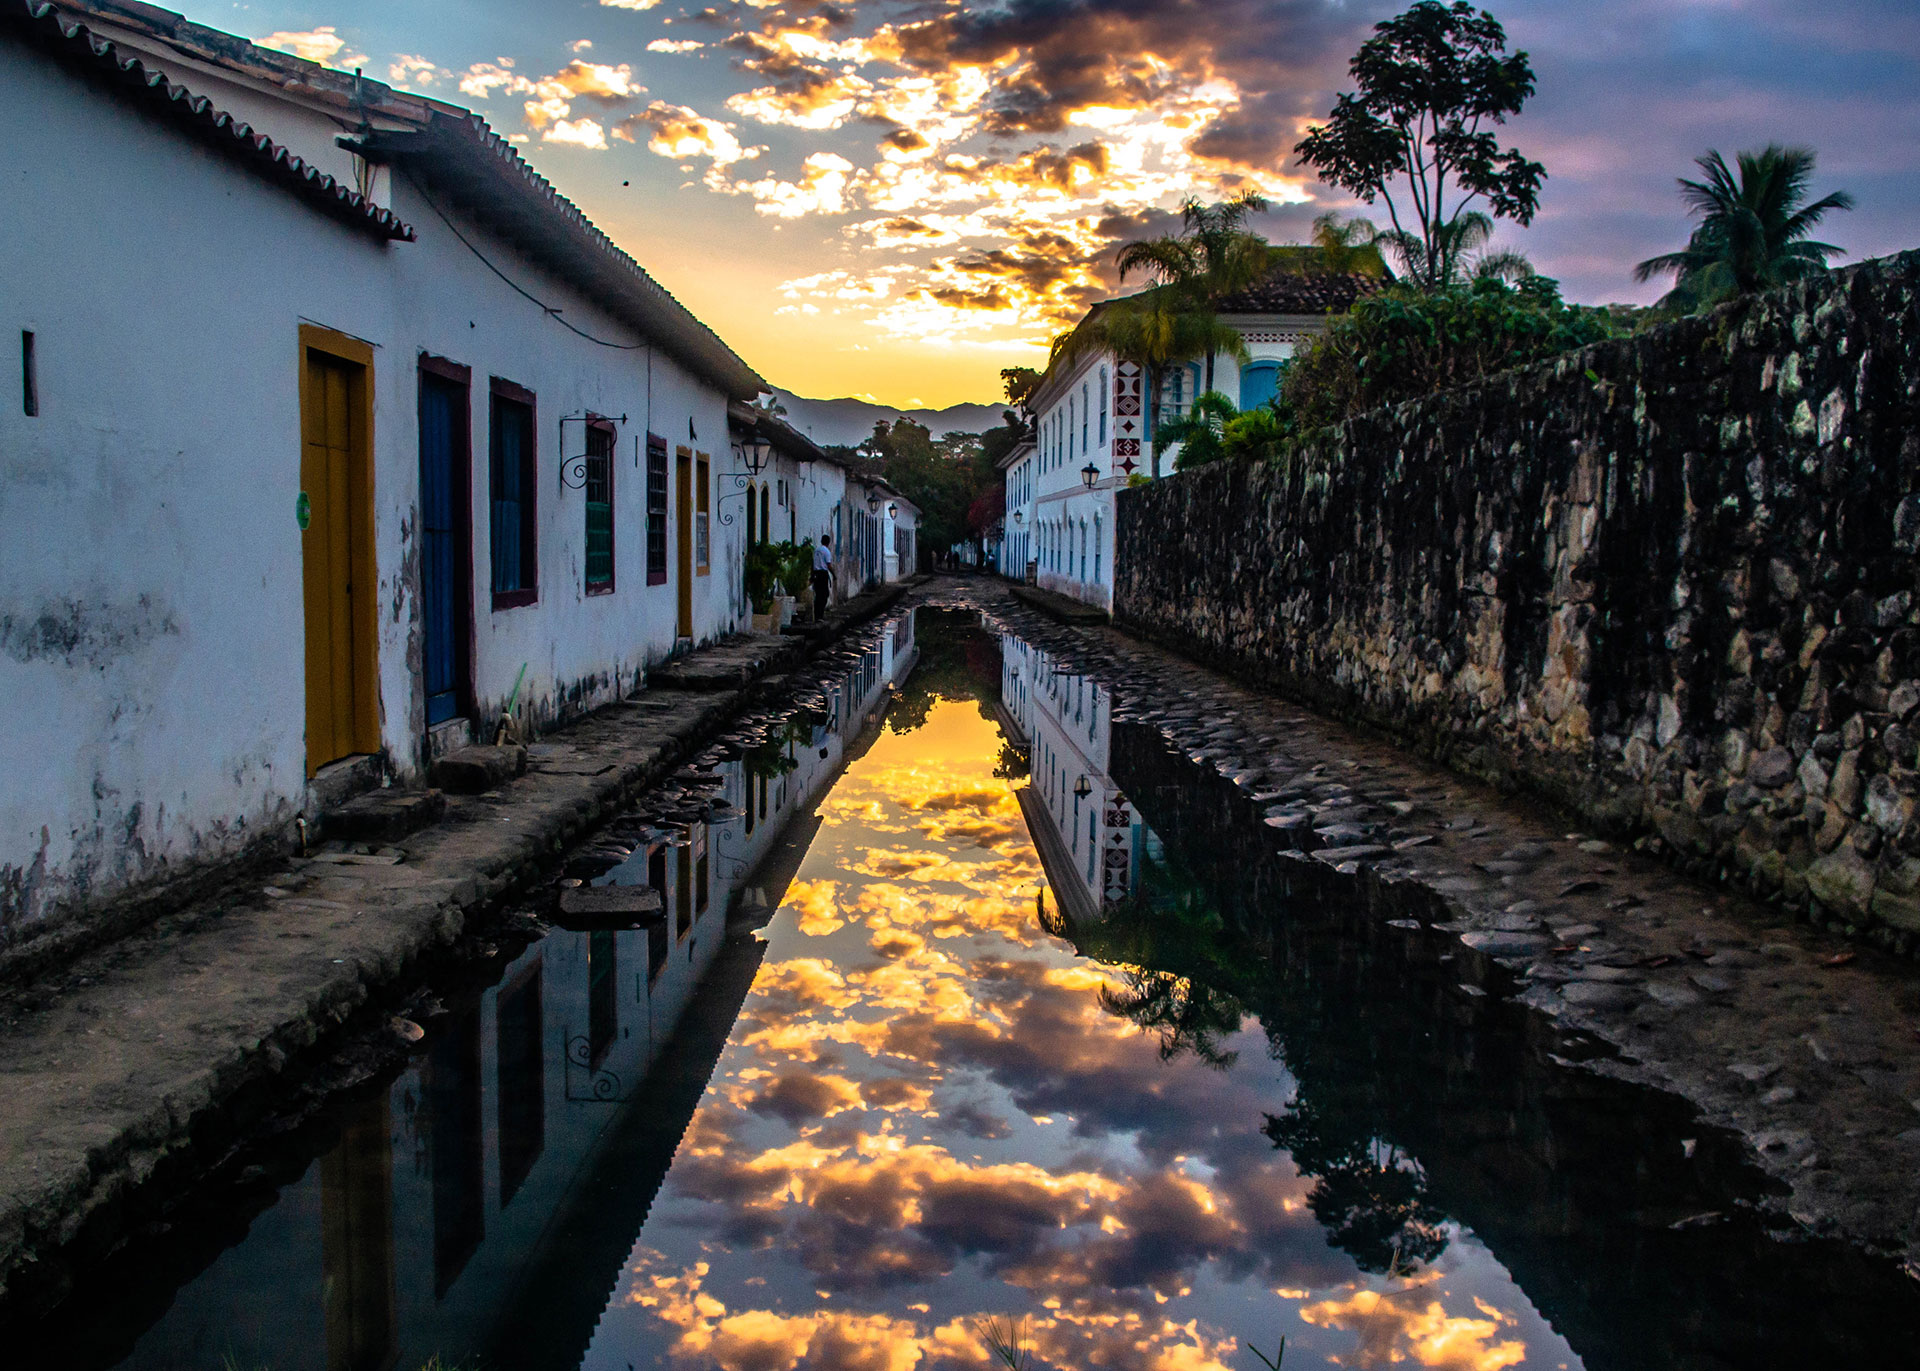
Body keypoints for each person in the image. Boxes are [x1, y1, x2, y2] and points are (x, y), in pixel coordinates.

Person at [811, 536, 833, 622]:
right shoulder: (826, 551)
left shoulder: (816, 550)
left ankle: (817, 615)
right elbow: (829, 565)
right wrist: (834, 575)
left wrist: (812, 575)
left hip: (816, 574)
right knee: (824, 595)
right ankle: (820, 615)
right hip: (823, 574)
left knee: (818, 594)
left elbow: (813, 563)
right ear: (828, 542)